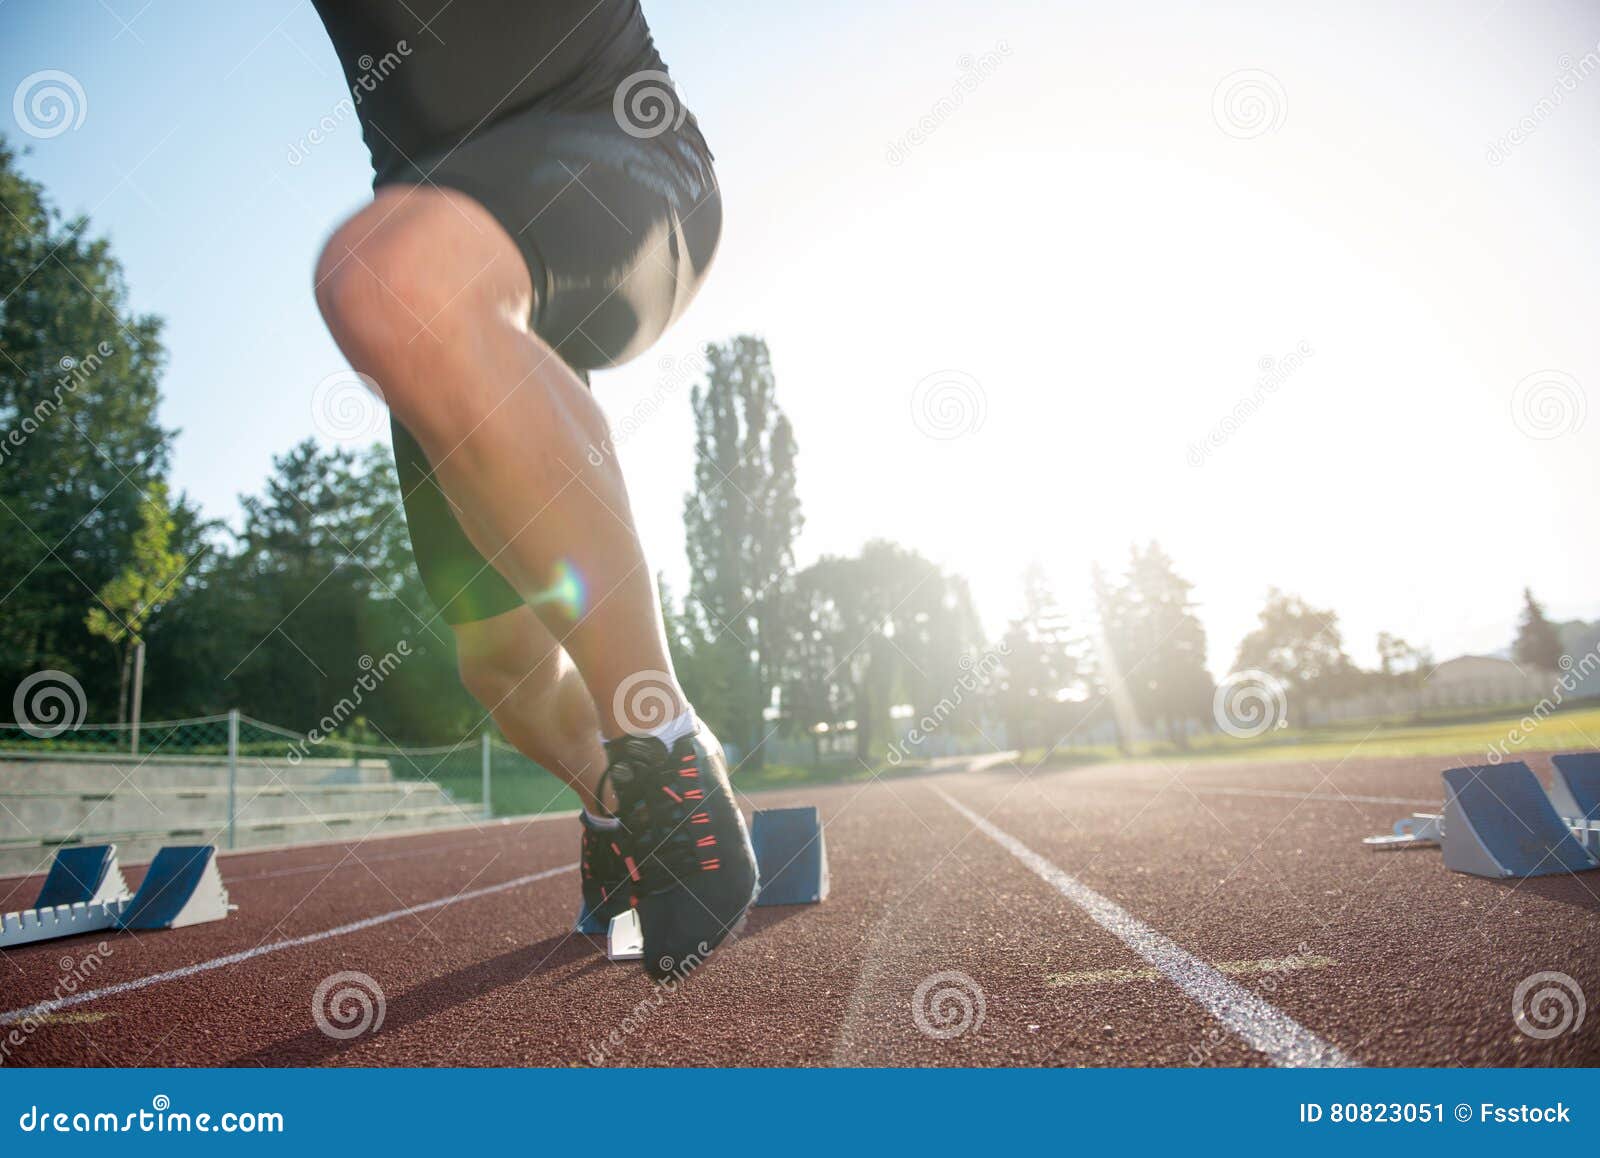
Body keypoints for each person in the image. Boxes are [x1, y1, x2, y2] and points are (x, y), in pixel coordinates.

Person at [307, 0, 757, 978]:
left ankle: (665, 747)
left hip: (620, 148)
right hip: (445, 223)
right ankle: (610, 800)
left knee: (389, 276)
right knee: (499, 662)